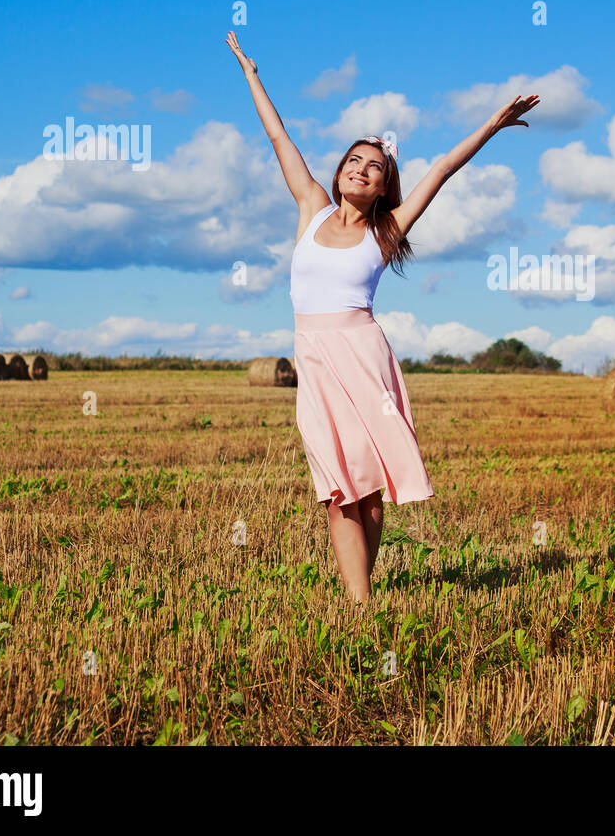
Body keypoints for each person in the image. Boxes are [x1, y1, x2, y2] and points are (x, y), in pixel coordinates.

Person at [226, 31, 539, 602]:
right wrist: (252, 74)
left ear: (384, 185)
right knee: (338, 489)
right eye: (354, 161)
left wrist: (492, 125)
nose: (362, 170)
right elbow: (278, 137)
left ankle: (358, 597)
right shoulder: (311, 208)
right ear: (340, 169)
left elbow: (442, 168)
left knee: (368, 492)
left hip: (364, 360)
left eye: (375, 167)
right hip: (316, 365)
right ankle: (360, 605)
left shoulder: (386, 231)